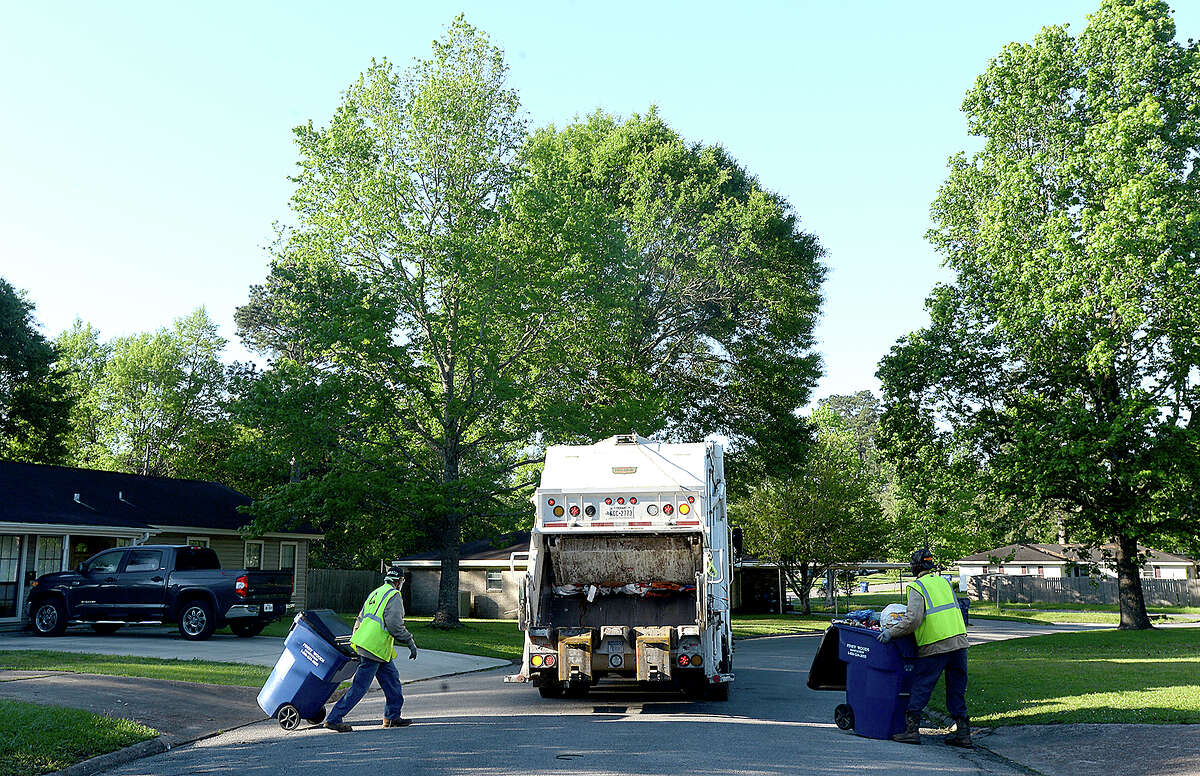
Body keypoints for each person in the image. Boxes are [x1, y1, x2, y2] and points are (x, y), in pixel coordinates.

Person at [876, 548, 971, 747]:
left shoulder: (917, 587)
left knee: (922, 685)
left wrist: (891, 632)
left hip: (936, 644)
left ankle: (911, 731)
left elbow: (913, 620)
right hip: (959, 642)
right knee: (956, 687)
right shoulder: (944, 582)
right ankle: (963, 733)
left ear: (915, 567)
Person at [324, 567, 418, 731]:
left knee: (392, 683)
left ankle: (392, 717)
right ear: (399, 581)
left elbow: (360, 618)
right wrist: (410, 641)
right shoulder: (394, 595)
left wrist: (356, 640)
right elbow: (394, 624)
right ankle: (333, 719)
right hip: (374, 648)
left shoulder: (376, 593)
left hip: (374, 648)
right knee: (360, 687)